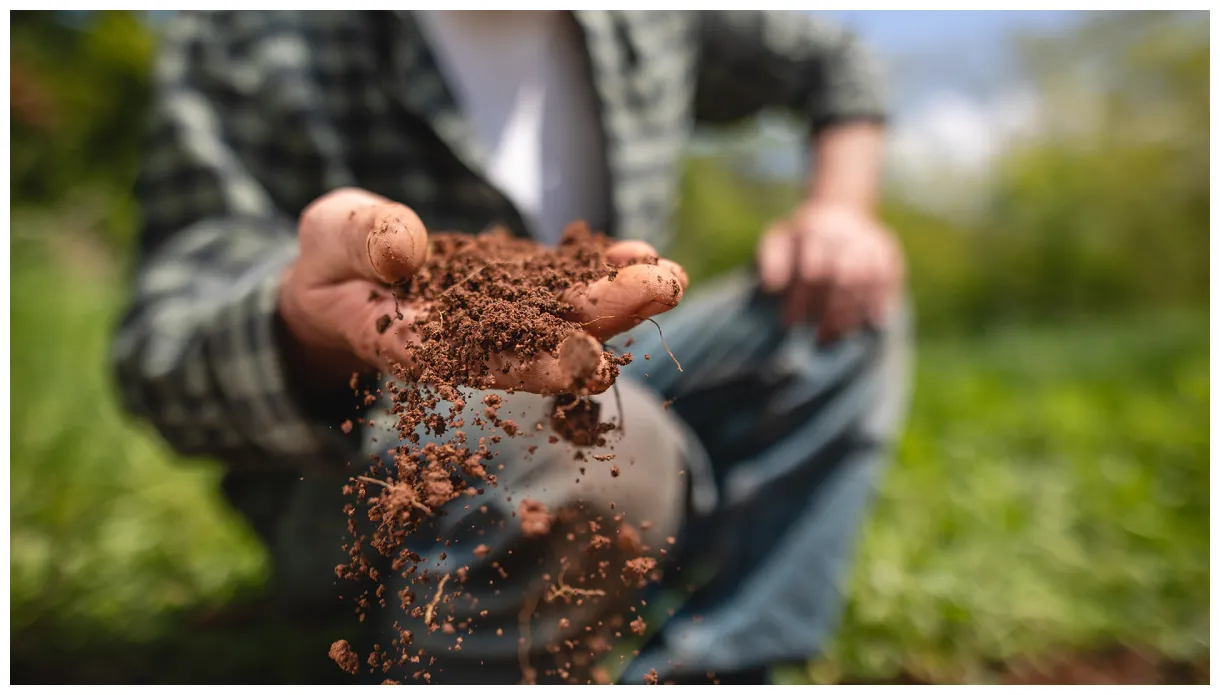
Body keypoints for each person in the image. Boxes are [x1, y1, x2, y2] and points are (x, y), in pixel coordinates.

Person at [113, 10, 911, 685]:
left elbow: (835, 60)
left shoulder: (650, 18)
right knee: (607, 445)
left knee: (840, 303)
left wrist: (840, 209)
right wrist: (307, 320)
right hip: (363, 456)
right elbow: (163, 346)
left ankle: (713, 663)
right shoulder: (253, 31)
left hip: (611, 372)